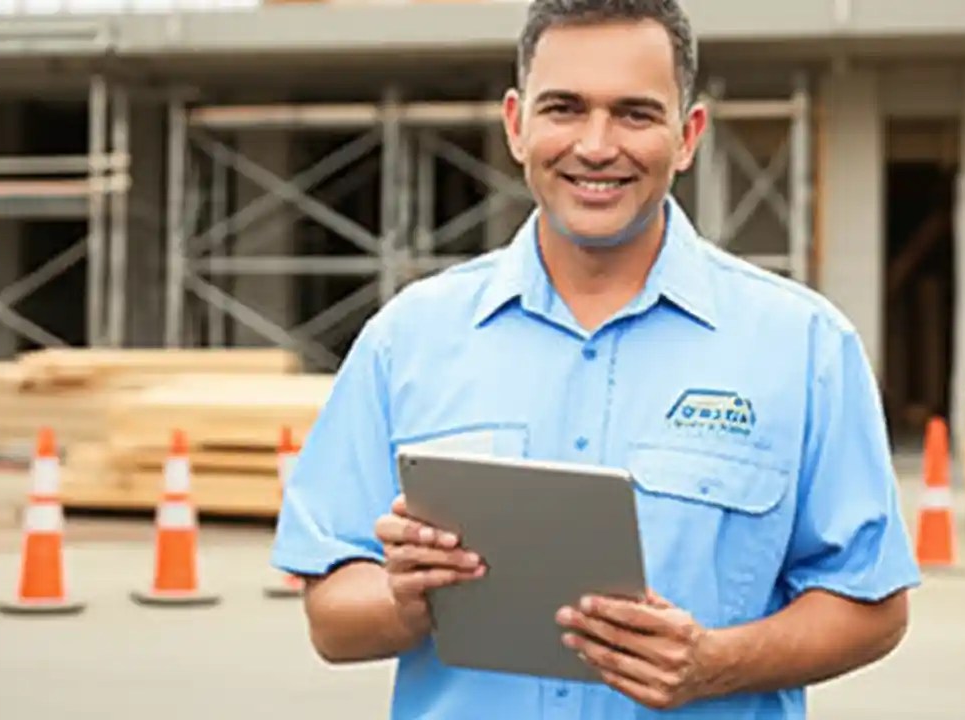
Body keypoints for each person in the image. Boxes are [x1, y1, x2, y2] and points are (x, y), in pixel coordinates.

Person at [271, 0, 921, 717]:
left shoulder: (803, 348)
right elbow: (330, 617)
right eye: (565, 109)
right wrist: (407, 599)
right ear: (517, 125)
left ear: (687, 135)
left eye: (636, 114)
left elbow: (873, 606)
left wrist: (716, 665)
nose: (596, 145)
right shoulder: (409, 339)